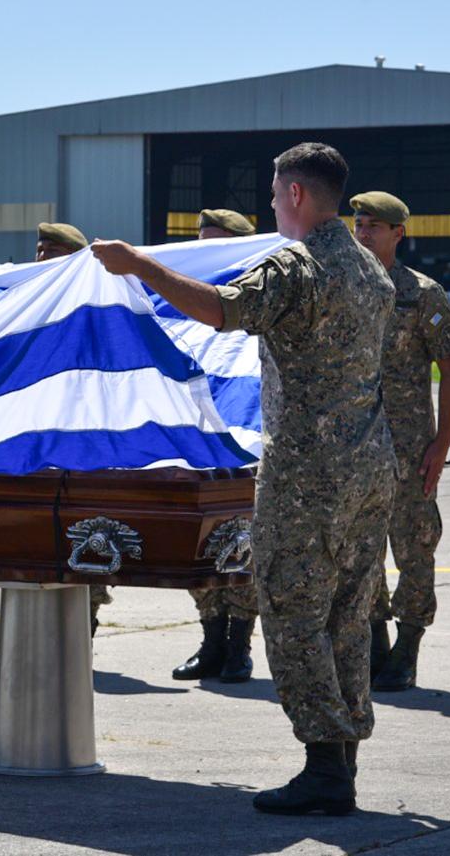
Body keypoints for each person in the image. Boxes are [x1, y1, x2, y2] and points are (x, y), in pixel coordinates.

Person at [92, 143, 394, 816]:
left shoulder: (298, 263)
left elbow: (222, 308)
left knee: (289, 607)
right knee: (348, 613)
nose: (269, 202)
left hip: (310, 472)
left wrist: (139, 265)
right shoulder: (372, 271)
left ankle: (323, 762)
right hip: (370, 467)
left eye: (273, 190)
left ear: (294, 195)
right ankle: (342, 756)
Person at [349, 192, 450, 693]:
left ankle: (408, 645)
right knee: (361, 551)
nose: (364, 233)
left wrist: (442, 442)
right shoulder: (347, 287)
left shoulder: (422, 294)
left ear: (399, 233)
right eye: (359, 224)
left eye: (374, 226)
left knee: (414, 550)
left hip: (411, 448)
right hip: (355, 447)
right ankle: (374, 641)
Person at [174, 207, 262, 685]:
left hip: (248, 436)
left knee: (243, 543)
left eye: (216, 246)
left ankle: (239, 645)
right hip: (199, 439)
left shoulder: (261, 297)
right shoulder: (183, 301)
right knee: (201, 542)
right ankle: (211, 639)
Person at [28, 221, 115, 632]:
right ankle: (42, 634)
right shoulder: (26, 310)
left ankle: (85, 631)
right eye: (40, 250)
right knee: (35, 542)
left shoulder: (97, 312)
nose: (43, 258)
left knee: (86, 540)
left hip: (83, 450)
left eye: (54, 251)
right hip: (38, 445)